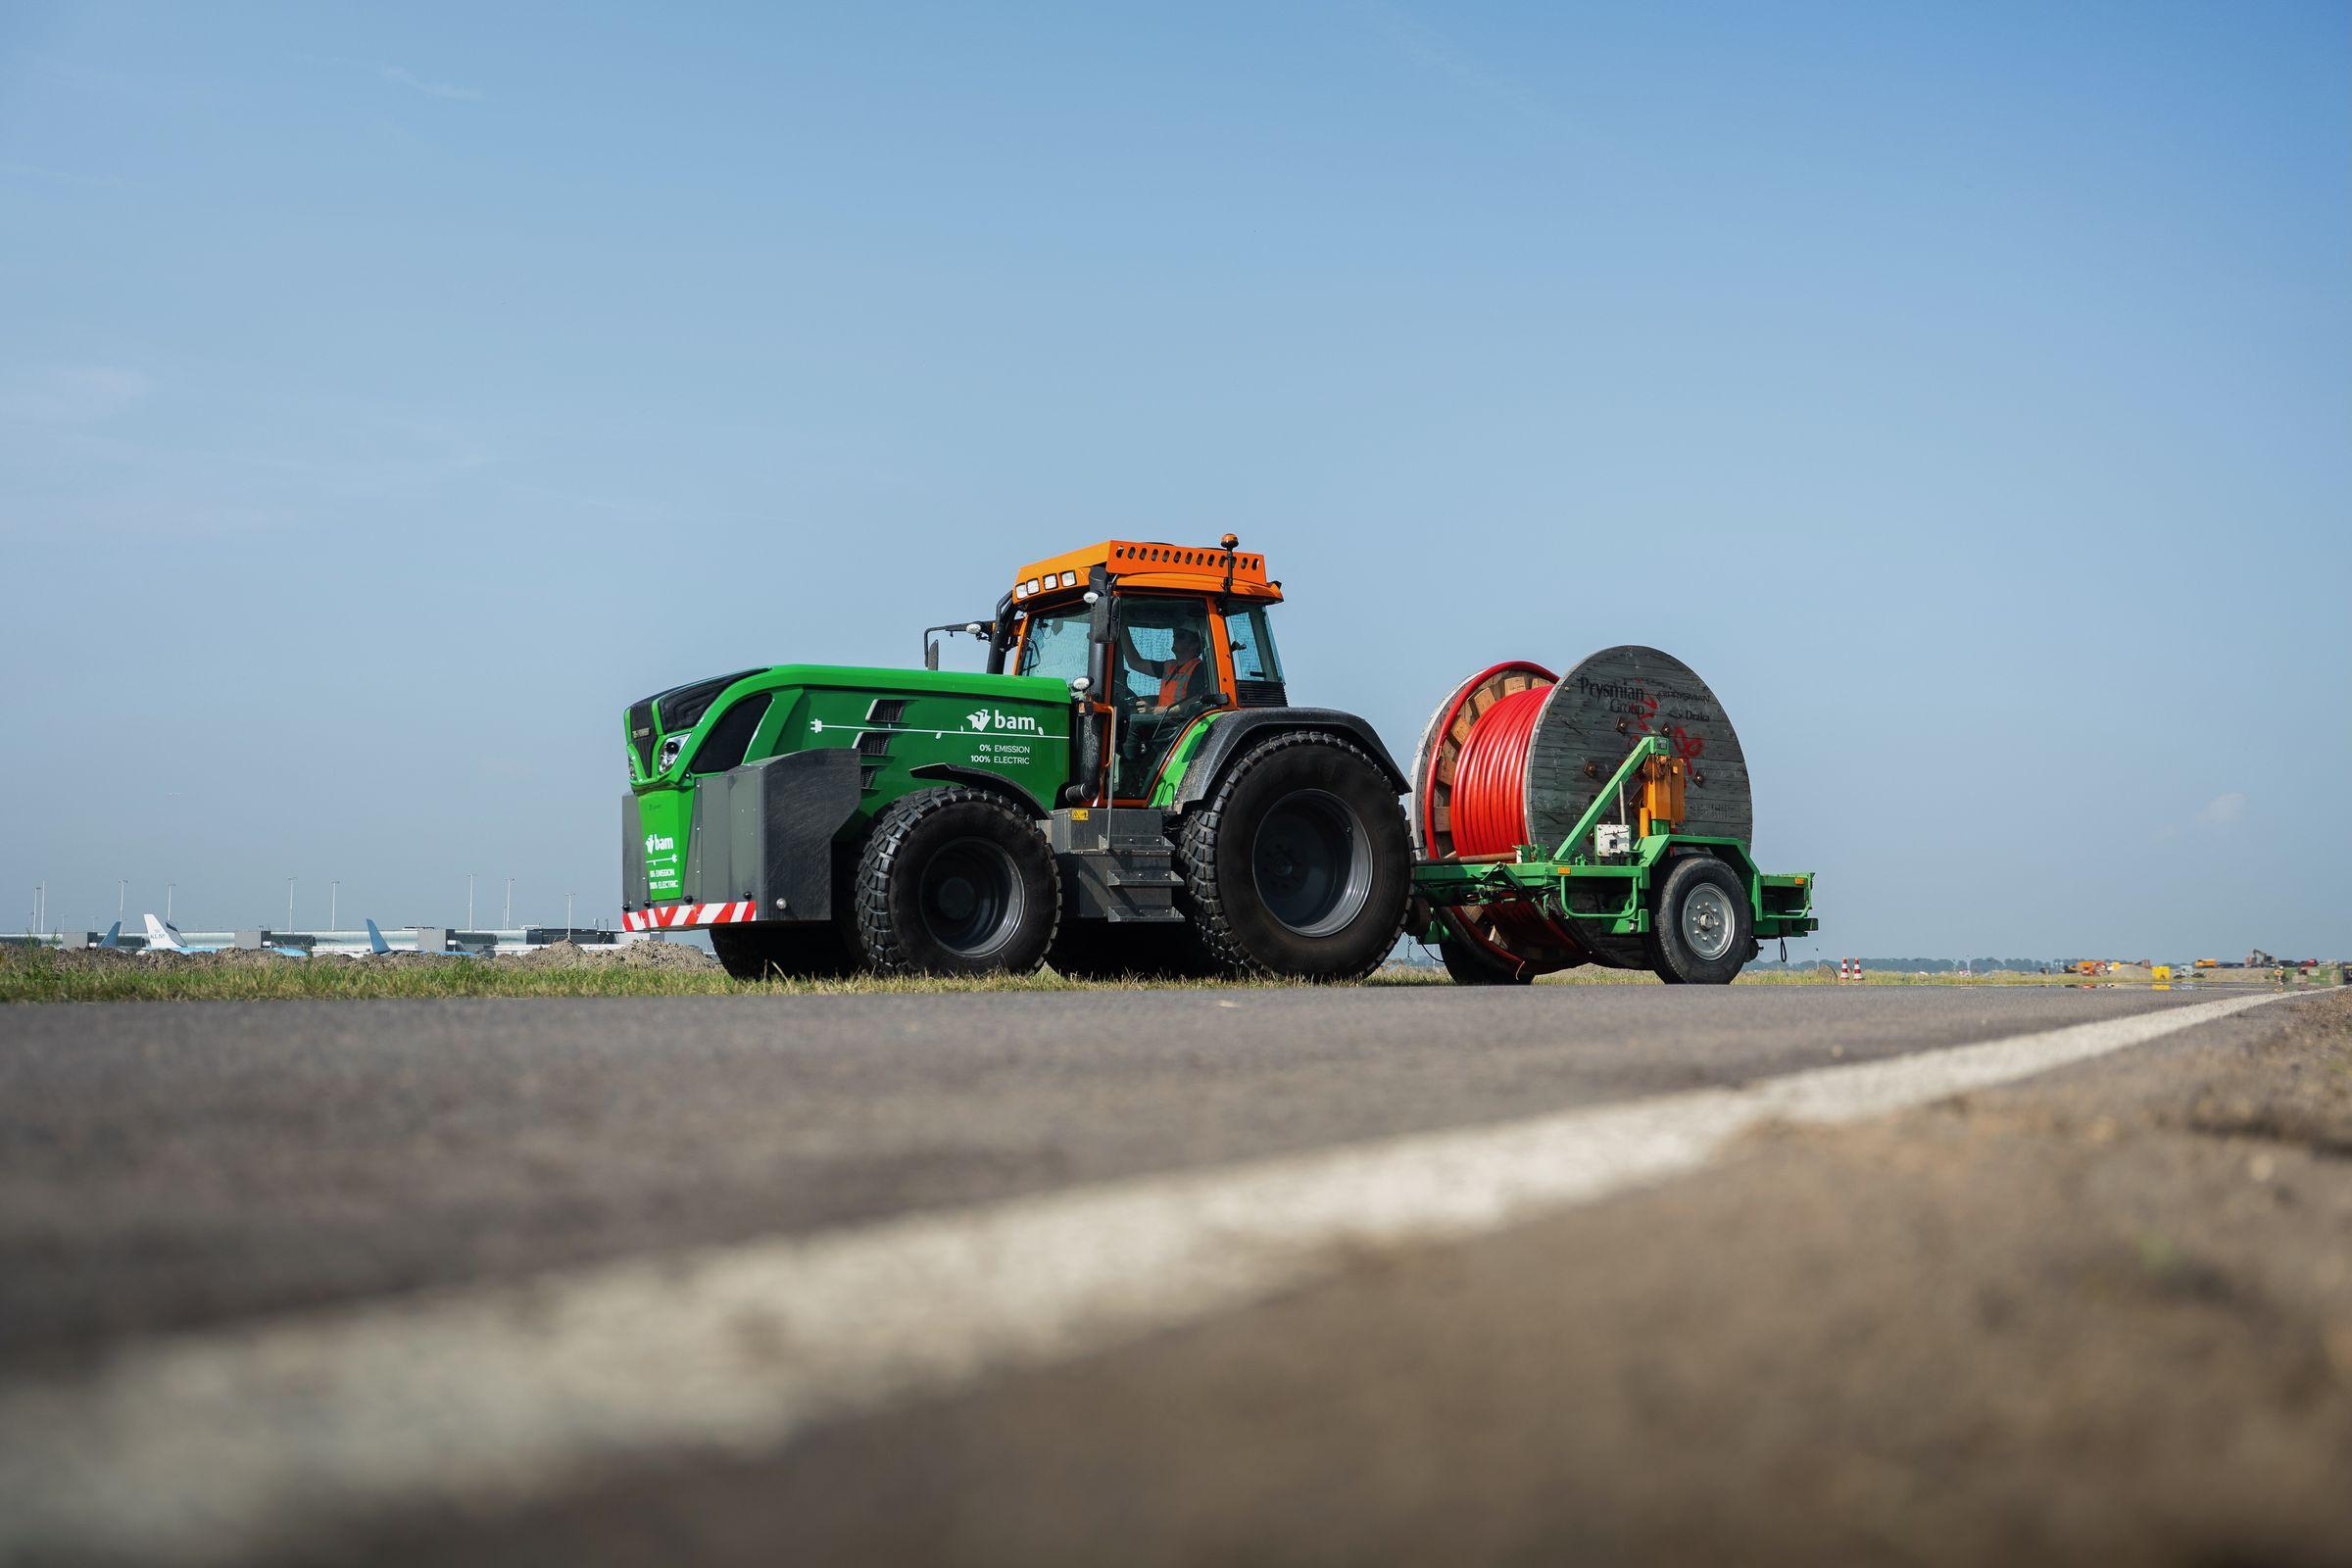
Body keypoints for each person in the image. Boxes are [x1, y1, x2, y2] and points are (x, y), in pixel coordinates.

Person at [1119, 621, 1211, 712]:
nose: (1175, 637)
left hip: (1180, 723)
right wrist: (1122, 627)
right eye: (1175, 634)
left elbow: (1194, 702)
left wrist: (1154, 710)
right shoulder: (1169, 666)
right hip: (1163, 720)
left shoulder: (1199, 670)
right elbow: (1135, 663)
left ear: (1194, 645)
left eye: (1181, 636)